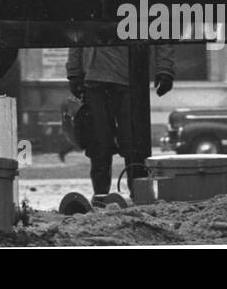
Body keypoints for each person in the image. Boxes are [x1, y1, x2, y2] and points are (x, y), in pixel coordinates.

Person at [66, 44, 174, 199]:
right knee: (100, 145)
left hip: (130, 79)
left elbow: (162, 32)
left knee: (133, 145)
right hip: (99, 80)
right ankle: (102, 197)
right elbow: (79, 34)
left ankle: (137, 196)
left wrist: (165, 69)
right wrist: (74, 72)